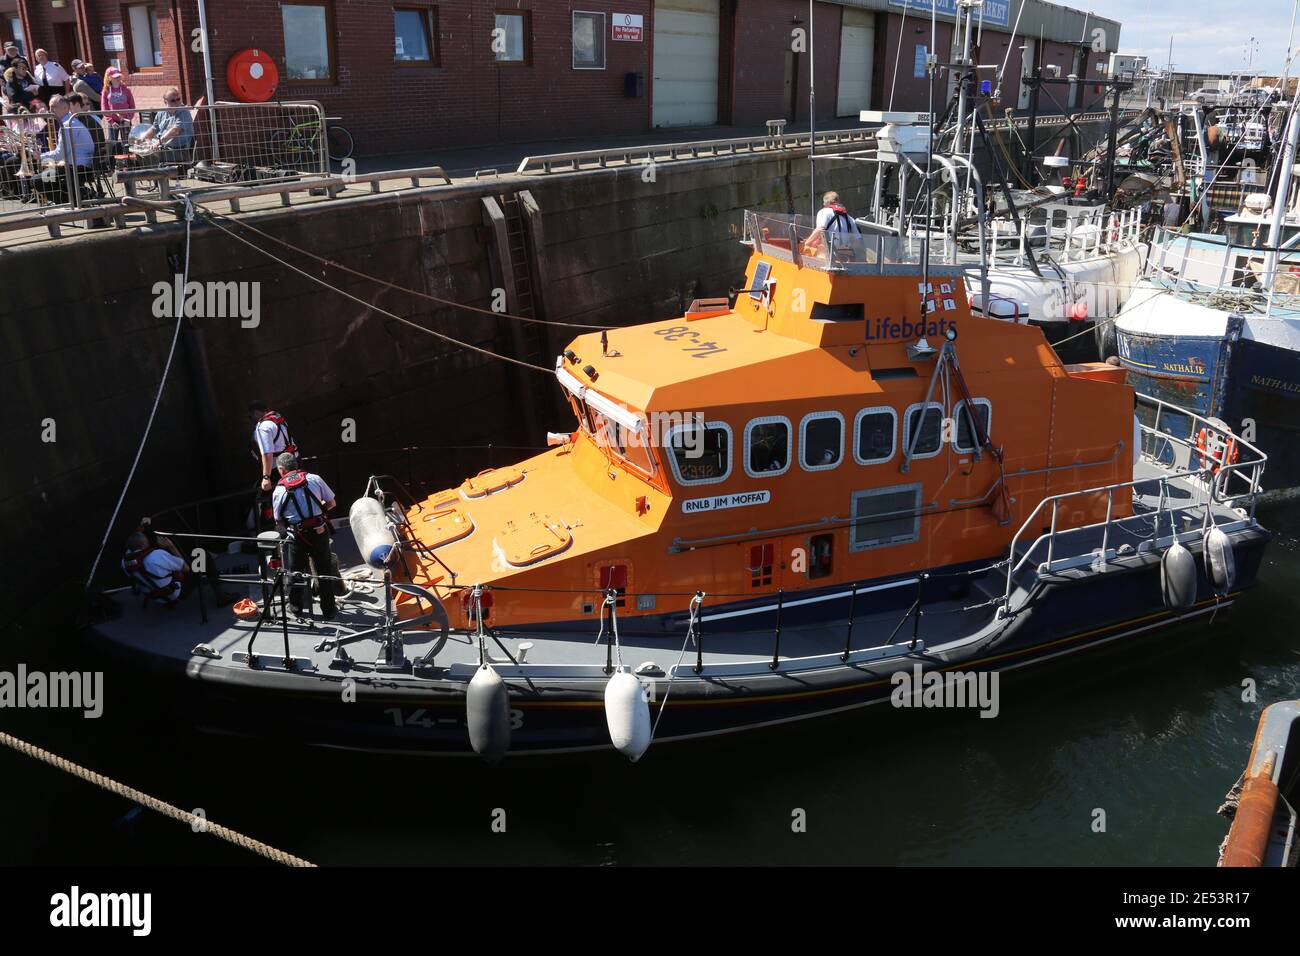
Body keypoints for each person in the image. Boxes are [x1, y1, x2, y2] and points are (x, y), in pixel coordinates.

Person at [270, 453, 338, 621]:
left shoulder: (278, 490)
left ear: (281, 469)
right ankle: (329, 610)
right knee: (324, 570)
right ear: (296, 464)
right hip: (319, 532)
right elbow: (332, 503)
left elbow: (278, 521)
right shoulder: (315, 478)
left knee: (295, 573)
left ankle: (296, 608)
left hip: (297, 537)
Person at [121, 524, 237, 608]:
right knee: (202, 554)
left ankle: (212, 579)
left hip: (158, 598)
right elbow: (186, 568)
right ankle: (221, 597)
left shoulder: (125, 561)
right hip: (176, 593)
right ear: (145, 544)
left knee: (162, 574)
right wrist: (171, 546)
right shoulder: (156, 556)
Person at [35, 94, 93, 203]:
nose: (50, 110)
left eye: (53, 107)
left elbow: (60, 154)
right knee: (46, 177)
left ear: (65, 108)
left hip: (78, 168)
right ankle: (76, 197)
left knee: (37, 180)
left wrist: (40, 156)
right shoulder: (69, 122)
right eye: (50, 107)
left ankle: (71, 201)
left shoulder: (67, 125)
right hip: (79, 165)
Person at [136, 87, 193, 159]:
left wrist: (158, 142)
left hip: (179, 150)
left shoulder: (184, 112)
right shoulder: (161, 113)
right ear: (165, 102)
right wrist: (142, 139)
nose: (177, 102)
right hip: (164, 147)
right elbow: (154, 129)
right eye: (173, 100)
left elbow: (175, 131)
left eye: (178, 99)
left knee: (149, 154)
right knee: (138, 151)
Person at [803, 191, 863, 258]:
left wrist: (806, 243)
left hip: (828, 256)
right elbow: (858, 241)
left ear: (825, 203)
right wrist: (846, 248)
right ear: (838, 201)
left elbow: (820, 229)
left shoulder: (824, 212)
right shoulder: (850, 218)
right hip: (846, 257)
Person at [99, 67, 135, 146]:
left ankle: (128, 157)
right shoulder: (106, 91)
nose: (118, 78)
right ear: (109, 78)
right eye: (115, 77)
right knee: (113, 144)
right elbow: (104, 107)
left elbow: (132, 106)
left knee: (127, 143)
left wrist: (128, 119)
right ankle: (113, 158)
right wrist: (111, 121)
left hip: (126, 121)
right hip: (113, 122)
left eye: (119, 76)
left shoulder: (126, 89)